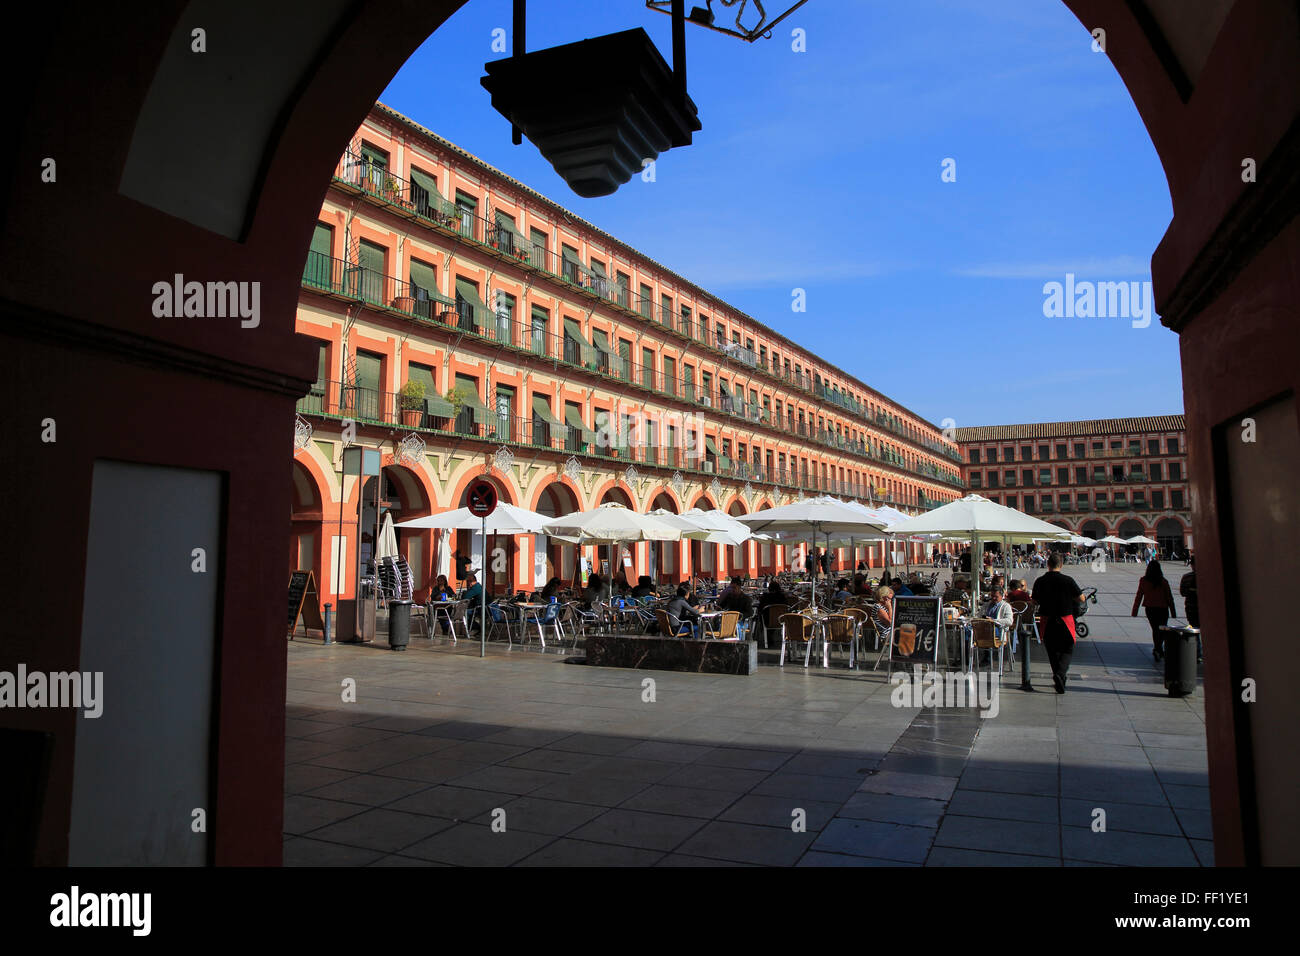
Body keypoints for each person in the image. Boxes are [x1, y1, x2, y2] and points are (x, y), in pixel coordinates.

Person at [1031, 551, 1084, 693]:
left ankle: (1059, 676)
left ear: (1048, 564)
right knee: (1067, 649)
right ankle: (1060, 674)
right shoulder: (1068, 580)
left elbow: (1034, 601)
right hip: (1065, 619)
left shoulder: (1040, 581)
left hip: (1047, 620)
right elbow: (1082, 598)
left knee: (1052, 650)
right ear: (1061, 565)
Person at [1133, 560, 1177, 662]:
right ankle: (1158, 648)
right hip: (1163, 609)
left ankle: (1157, 648)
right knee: (1161, 629)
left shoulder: (1144, 580)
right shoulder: (1163, 581)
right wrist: (1173, 612)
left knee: (1155, 629)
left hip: (1150, 609)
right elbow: (1169, 597)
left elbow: (1139, 596)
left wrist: (1135, 610)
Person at [1179, 558, 1201, 663]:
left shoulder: (1186, 577)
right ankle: (1200, 653)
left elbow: (1182, 593)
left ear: (1191, 565)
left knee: (1194, 631)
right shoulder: (1208, 576)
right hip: (1201, 609)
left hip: (1191, 607)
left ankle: (1197, 654)